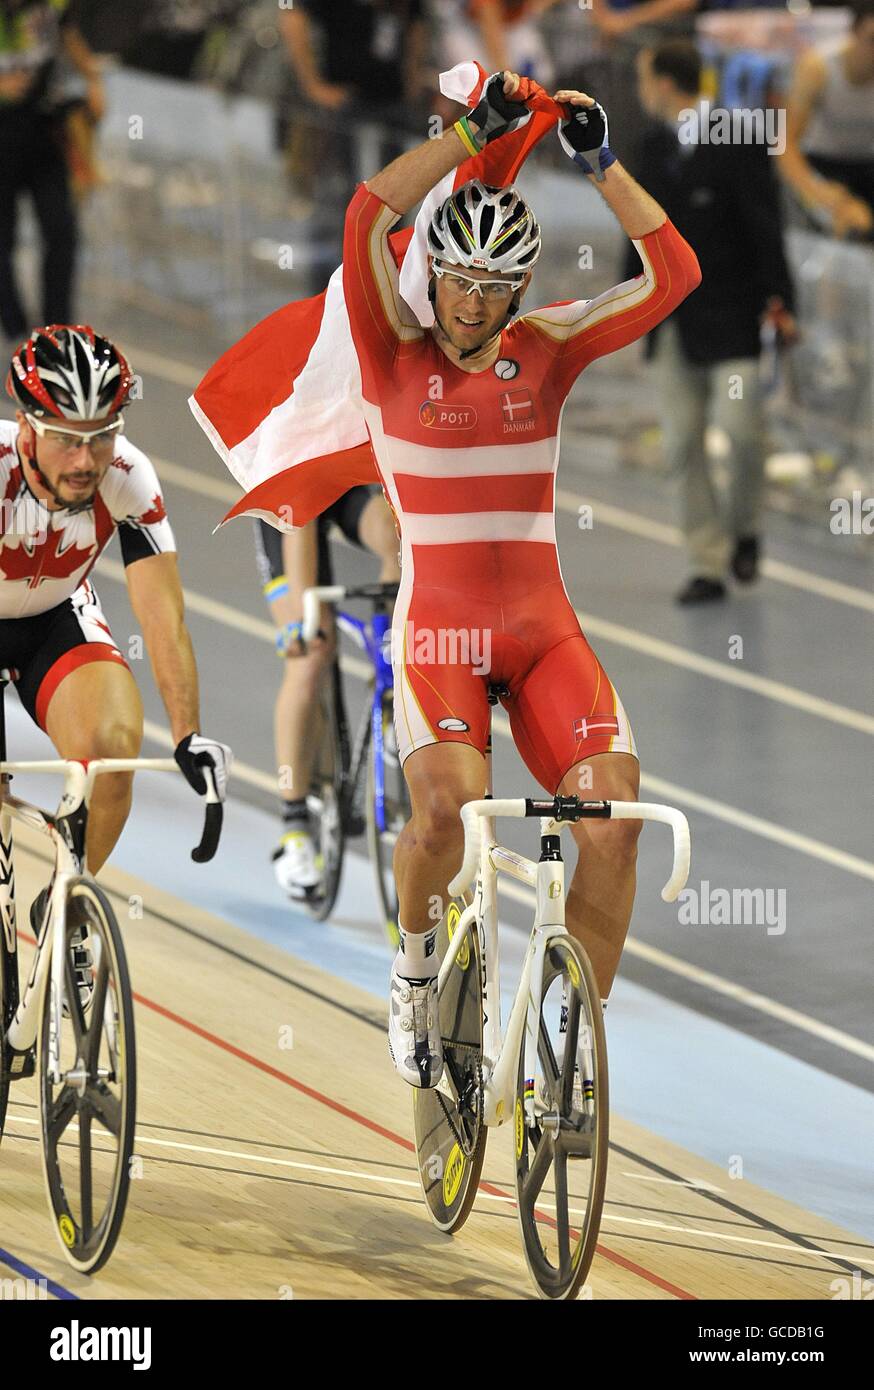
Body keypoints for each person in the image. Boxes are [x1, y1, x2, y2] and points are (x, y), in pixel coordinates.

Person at [342, 71, 701, 1086]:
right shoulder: (391, 352)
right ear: (435, 278)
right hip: (442, 635)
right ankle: (413, 978)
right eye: (458, 282)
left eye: (495, 290)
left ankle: (565, 1034)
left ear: (518, 291)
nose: (473, 304)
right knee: (447, 809)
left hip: (543, 633)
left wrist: (602, 161)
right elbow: (368, 214)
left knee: (617, 821)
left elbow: (671, 277)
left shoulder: (543, 349)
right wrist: (472, 134)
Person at [1, 324, 232, 1002]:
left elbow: (162, 618)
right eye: (68, 437)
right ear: (27, 425)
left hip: (53, 619)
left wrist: (189, 733)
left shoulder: (128, 478)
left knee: (112, 750)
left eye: (101, 434)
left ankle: (68, 901)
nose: (86, 458)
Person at [631, 39, 797, 602]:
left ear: (664, 83)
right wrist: (625, 309)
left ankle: (745, 528)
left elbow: (766, 225)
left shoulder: (738, 140)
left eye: (643, 79)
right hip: (670, 322)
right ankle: (707, 560)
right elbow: (633, 232)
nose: (641, 92)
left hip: (733, 317)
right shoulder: (650, 147)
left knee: (742, 432)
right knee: (680, 444)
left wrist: (783, 300)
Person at [256, 486, 400, 902]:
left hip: (344, 482)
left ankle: (394, 687)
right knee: (310, 652)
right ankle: (294, 824)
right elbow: (298, 520)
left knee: (400, 543)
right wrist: (307, 620)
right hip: (288, 500)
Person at [0, 0, 104, 344]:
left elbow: (67, 29)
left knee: (61, 231)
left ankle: (56, 333)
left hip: (45, 125)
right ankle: (14, 331)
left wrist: (92, 77)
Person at [779, 0, 874, 241]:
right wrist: (816, 191)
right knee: (848, 223)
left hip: (866, 164)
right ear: (853, 33)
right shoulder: (817, 68)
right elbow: (784, 143)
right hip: (820, 164)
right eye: (872, 40)